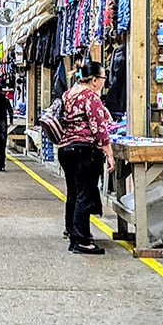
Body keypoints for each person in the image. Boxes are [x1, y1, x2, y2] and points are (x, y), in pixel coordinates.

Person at [57, 61, 115, 255]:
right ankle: (82, 240)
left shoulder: (68, 95)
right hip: (84, 150)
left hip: (66, 149)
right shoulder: (90, 96)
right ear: (96, 80)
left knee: (74, 192)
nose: (103, 83)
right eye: (103, 78)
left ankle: (74, 233)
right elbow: (99, 128)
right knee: (85, 194)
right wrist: (109, 153)